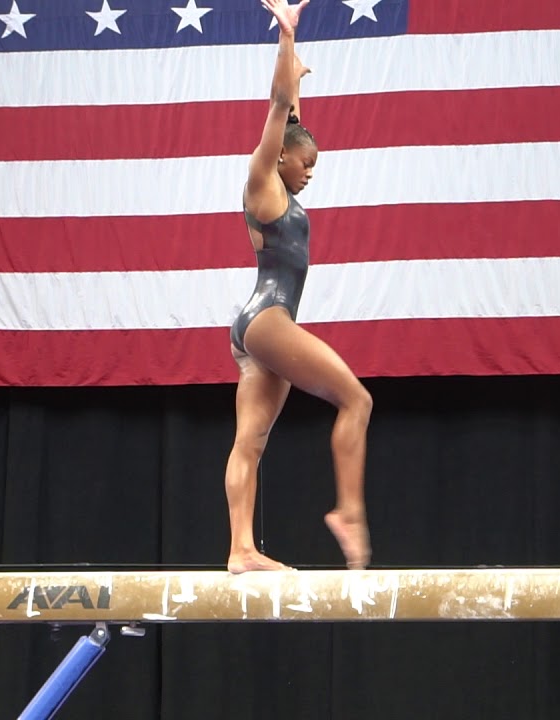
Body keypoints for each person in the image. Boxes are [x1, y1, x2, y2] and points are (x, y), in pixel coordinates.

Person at [222, 0, 372, 574]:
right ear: (280, 157)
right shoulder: (262, 180)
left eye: (315, 165)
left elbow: (291, 112)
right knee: (356, 399)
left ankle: (240, 550)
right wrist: (285, 37)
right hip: (269, 321)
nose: (310, 172)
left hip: (258, 326)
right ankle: (349, 513)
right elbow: (279, 106)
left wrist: (296, 51)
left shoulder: (285, 177)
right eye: (305, 163)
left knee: (250, 442)